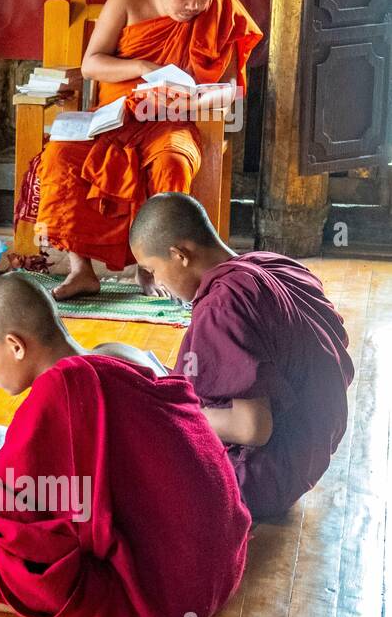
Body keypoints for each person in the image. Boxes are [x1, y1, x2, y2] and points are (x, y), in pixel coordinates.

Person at [0, 273, 251, 617]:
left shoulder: (60, 389)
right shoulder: (119, 354)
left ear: (15, 346)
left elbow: (8, 501)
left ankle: (27, 605)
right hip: (223, 562)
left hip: (164, 597)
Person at [31, 0, 263, 299]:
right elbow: (92, 63)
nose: (193, 7)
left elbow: (231, 88)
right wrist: (142, 67)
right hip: (114, 118)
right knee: (62, 156)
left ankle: (151, 267)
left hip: (171, 121)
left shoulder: (221, 10)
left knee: (172, 163)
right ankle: (81, 271)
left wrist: (197, 98)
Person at [130, 192, 354, 519]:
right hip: (311, 446)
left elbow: (253, 428)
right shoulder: (273, 264)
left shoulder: (223, 306)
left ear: (179, 255)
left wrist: (169, 412)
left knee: (129, 452)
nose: (157, 281)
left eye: (152, 269)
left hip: (266, 472)